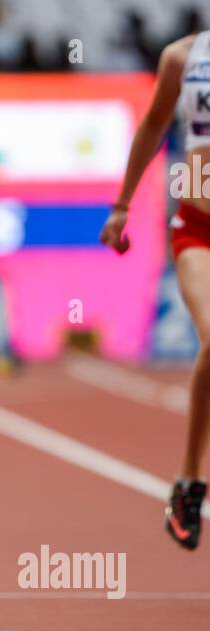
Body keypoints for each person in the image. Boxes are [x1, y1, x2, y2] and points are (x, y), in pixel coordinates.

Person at [100, 30, 210, 548]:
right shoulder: (183, 58)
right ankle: (190, 482)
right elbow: (151, 125)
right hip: (197, 230)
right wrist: (122, 206)